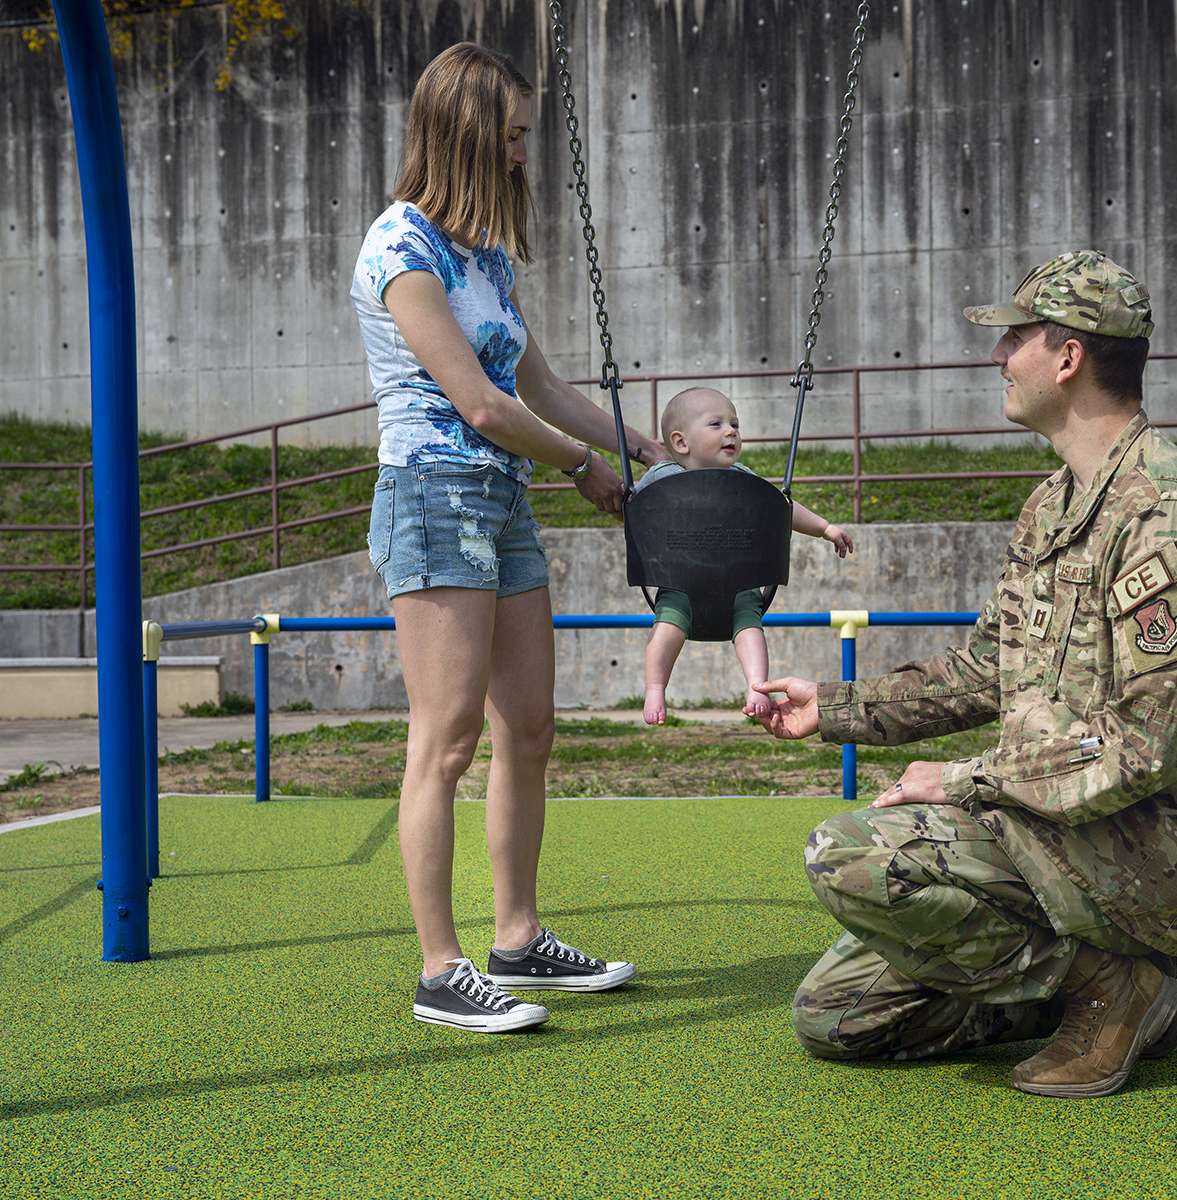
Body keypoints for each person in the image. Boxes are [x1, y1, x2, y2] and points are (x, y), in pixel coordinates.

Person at [754, 250, 1177, 1098]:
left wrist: (964, 781)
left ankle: (1115, 985)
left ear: (1067, 358)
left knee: (847, 855)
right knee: (838, 1014)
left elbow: (1147, 752)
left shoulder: (1164, 515)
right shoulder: (1053, 503)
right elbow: (990, 667)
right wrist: (837, 707)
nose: (999, 356)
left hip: (1140, 847)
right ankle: (1104, 994)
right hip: (1050, 822)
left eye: (1016, 337)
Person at [349, 42, 668, 1034]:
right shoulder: (401, 250)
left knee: (528, 728)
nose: (525, 155)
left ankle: (518, 939)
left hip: (500, 500)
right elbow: (480, 406)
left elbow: (545, 389)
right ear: (468, 135)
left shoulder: (484, 256)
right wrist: (581, 467)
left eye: (530, 137)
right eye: (515, 136)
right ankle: (441, 969)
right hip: (435, 495)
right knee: (443, 743)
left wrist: (652, 450)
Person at [637, 387, 854, 725]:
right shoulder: (661, 479)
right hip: (680, 581)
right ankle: (654, 687)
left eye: (734, 424)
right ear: (681, 443)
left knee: (750, 629)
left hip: (738, 583)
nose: (732, 431)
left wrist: (824, 528)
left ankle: (757, 687)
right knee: (665, 629)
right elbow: (634, 511)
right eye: (716, 424)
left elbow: (780, 508)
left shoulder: (745, 479)